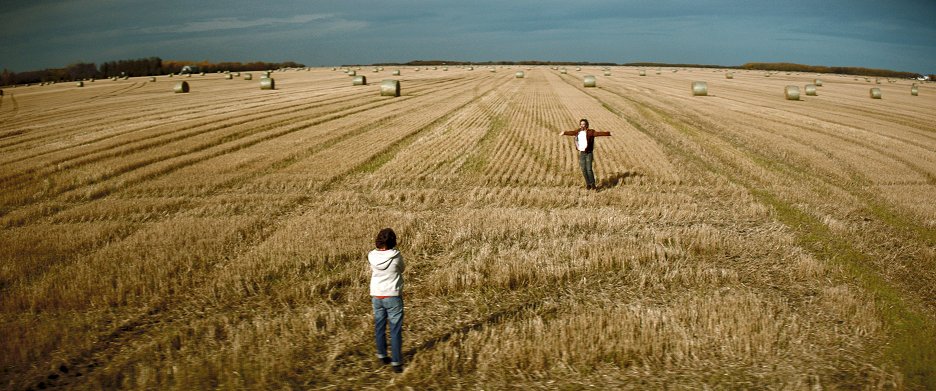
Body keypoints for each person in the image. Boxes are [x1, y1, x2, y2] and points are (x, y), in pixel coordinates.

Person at [368, 228, 405, 373]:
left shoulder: (371, 255)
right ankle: (396, 363)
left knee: (379, 327)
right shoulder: (396, 256)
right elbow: (402, 269)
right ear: (393, 241)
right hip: (393, 296)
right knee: (395, 330)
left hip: (376, 295)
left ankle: (382, 355)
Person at [559, 118, 611, 189]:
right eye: (581, 124)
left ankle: (593, 184)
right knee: (583, 169)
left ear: (587, 125)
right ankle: (588, 184)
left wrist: (609, 133)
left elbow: (598, 133)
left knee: (589, 169)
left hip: (589, 153)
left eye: (584, 124)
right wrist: (564, 132)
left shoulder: (590, 132)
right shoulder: (578, 131)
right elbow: (571, 132)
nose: (582, 125)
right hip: (582, 153)